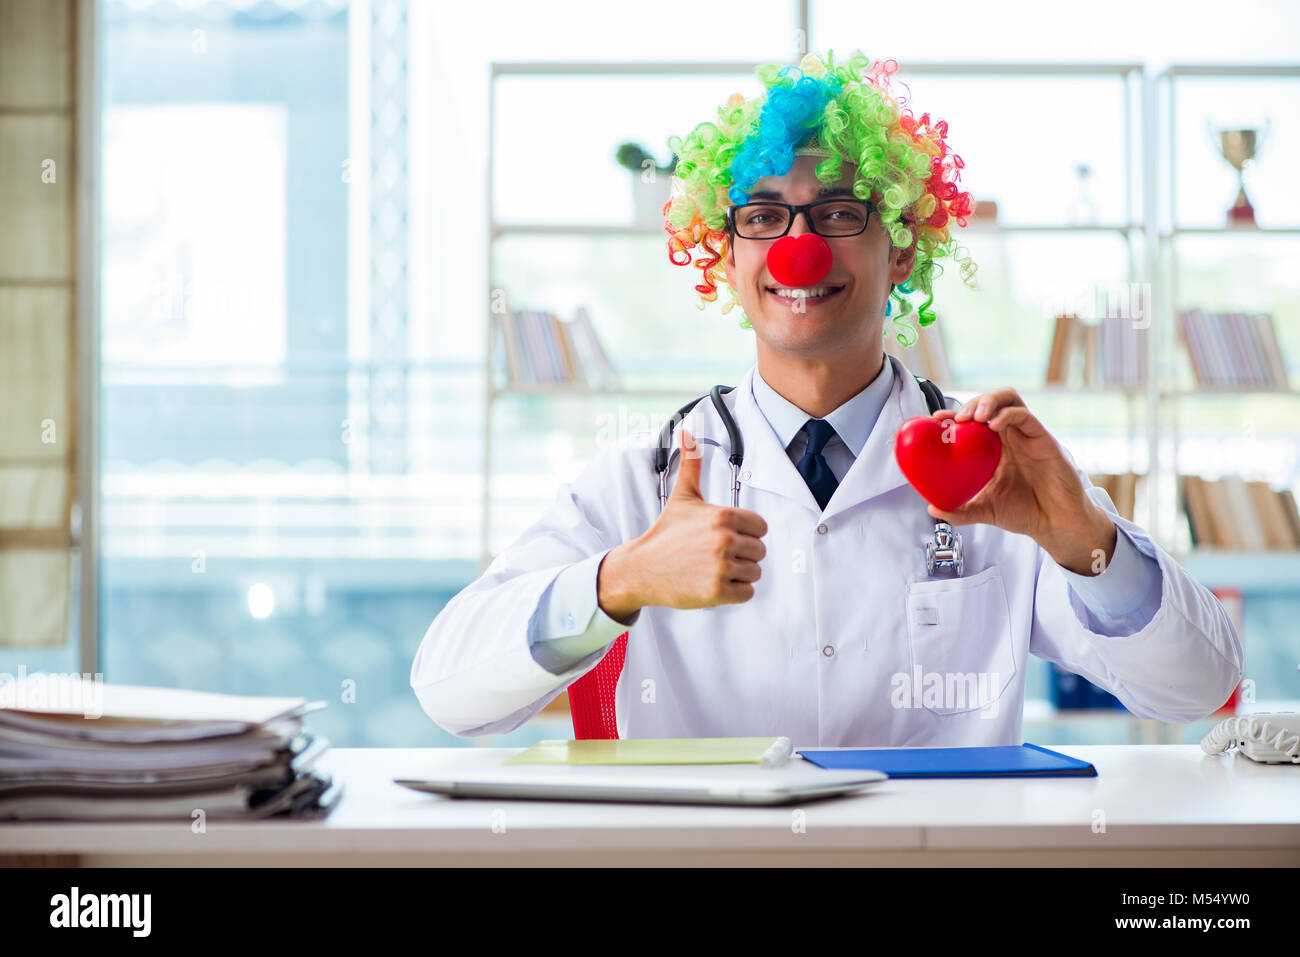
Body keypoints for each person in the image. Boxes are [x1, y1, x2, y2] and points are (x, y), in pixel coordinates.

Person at [410, 50, 1242, 744]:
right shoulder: (646, 478)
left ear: (904, 247)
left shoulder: (1000, 477)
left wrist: (1086, 541)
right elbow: (448, 689)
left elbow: (1199, 688)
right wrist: (621, 578)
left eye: (840, 212)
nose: (800, 249)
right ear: (726, 258)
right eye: (765, 217)